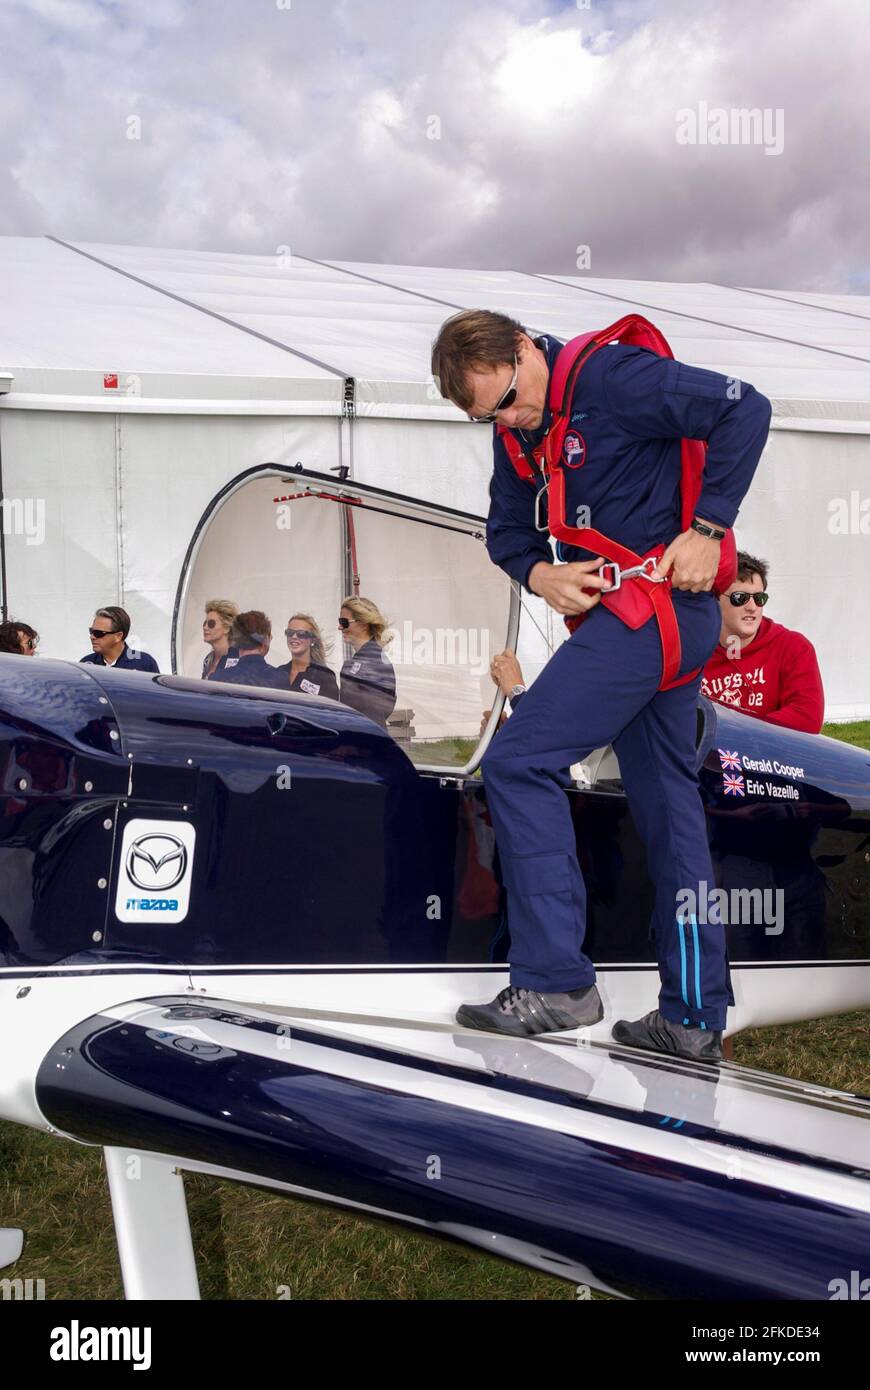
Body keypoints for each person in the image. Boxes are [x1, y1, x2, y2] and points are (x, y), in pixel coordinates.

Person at [431, 308, 771, 1060]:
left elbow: (746, 408)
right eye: (492, 414)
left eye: (512, 400)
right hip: (645, 627)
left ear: (523, 347)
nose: (510, 421)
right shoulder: (517, 430)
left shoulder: (613, 377)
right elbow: (507, 532)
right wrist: (539, 571)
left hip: (652, 617)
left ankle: (555, 982)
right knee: (668, 807)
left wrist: (709, 529)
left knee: (519, 760)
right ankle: (691, 1016)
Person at [701, 552, 824, 733]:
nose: (752, 607)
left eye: (759, 598)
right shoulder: (694, 649)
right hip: (708, 757)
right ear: (716, 599)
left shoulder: (794, 647)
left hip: (772, 758)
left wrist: (734, 731)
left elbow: (807, 718)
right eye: (740, 598)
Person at [338, 596, 397, 728]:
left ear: (363, 625)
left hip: (366, 741)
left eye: (344, 622)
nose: (340, 627)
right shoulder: (357, 663)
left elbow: (376, 713)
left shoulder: (375, 661)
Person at [272, 613, 339, 699]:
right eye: (290, 632)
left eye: (301, 633)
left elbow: (330, 711)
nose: (294, 637)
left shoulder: (325, 677)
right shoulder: (278, 672)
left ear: (312, 640)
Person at [80, 608, 159, 671]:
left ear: (118, 636)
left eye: (98, 633)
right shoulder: (86, 665)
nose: (92, 637)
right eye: (91, 631)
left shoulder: (144, 663)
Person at [216, 611, 277, 687]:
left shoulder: (218, 678)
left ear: (236, 641)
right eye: (270, 636)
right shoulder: (280, 679)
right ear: (265, 641)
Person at [200, 598, 239, 680]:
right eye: (205, 623)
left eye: (211, 623)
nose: (205, 627)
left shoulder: (238, 659)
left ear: (226, 628)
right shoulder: (209, 659)